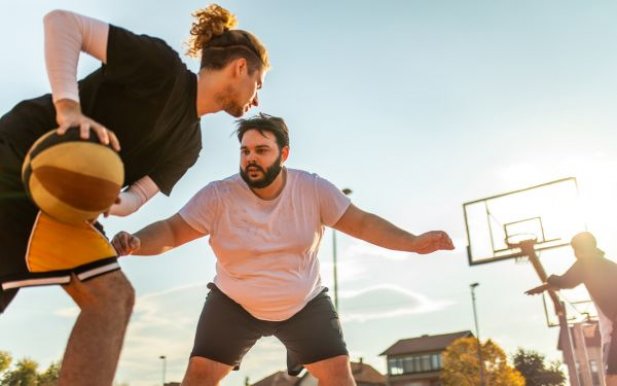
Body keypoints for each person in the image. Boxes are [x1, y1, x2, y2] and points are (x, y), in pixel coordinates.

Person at [0, 4, 269, 385]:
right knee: (110, 298)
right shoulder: (161, 67)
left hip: (67, 204)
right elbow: (62, 23)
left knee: (113, 298)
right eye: (258, 85)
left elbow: (131, 200)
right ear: (240, 67)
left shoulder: (189, 146)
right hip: (18, 163)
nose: (256, 100)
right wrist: (68, 110)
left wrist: (110, 199)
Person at [112, 113, 455, 386]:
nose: (250, 159)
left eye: (261, 151)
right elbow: (172, 229)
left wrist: (411, 242)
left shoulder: (312, 189)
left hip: (303, 304)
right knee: (200, 376)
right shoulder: (218, 196)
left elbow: (362, 223)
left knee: (338, 375)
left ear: (283, 154)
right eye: (245, 151)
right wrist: (138, 243)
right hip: (234, 302)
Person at [525, 232, 617, 385]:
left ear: (579, 251)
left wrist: (546, 282)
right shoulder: (609, 264)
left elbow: (565, 281)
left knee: (612, 377)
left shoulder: (586, 262)